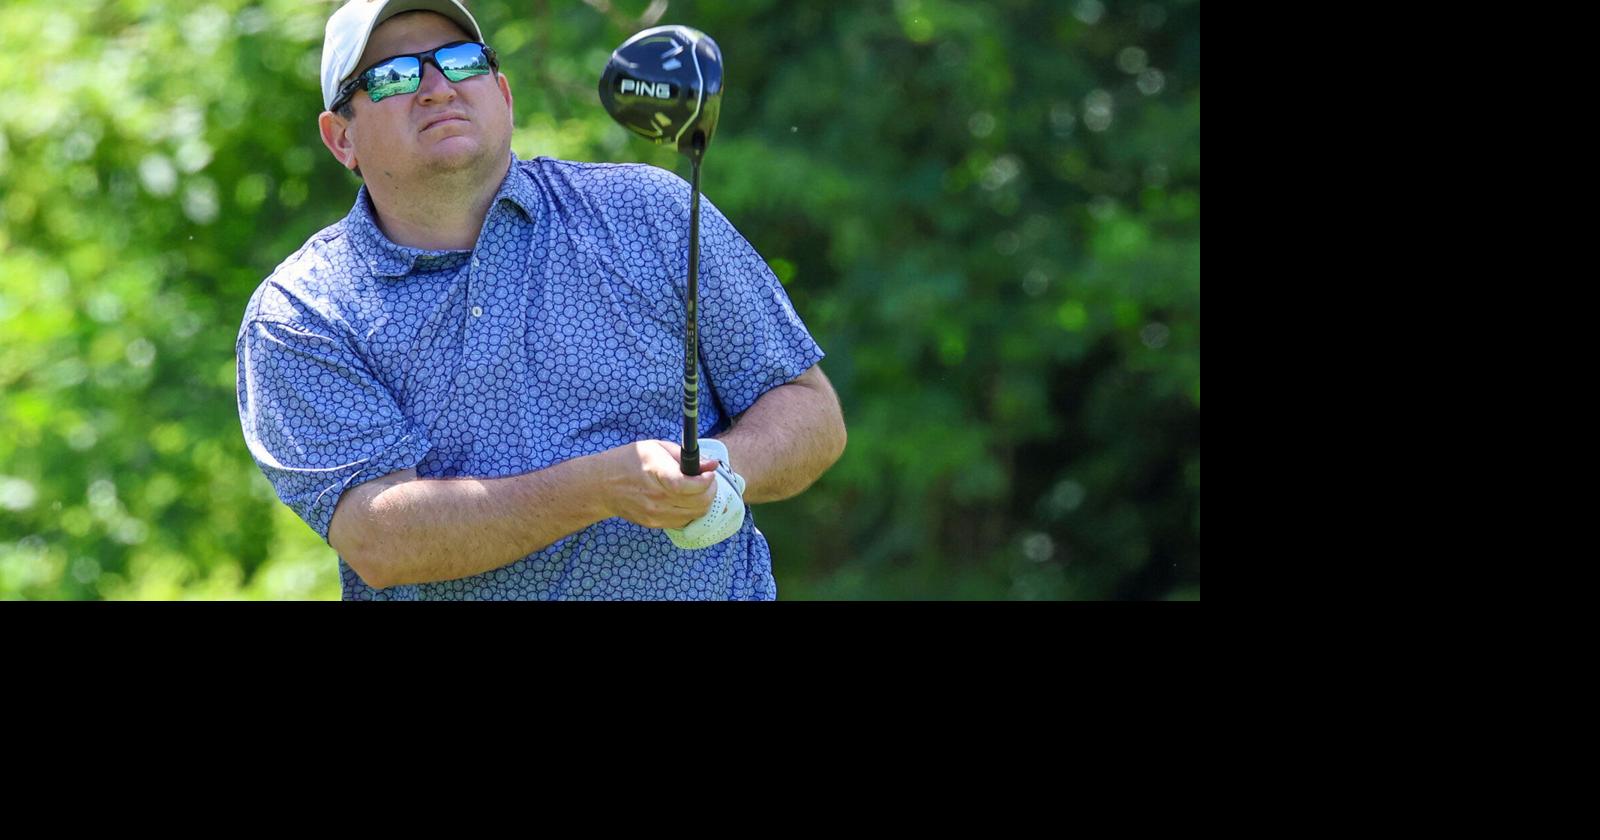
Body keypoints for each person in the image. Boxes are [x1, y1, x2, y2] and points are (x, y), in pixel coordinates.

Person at [235, 0, 846, 600]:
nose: (438, 89)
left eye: (462, 61)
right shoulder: (304, 311)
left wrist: (714, 468)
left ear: (503, 94)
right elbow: (380, 541)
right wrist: (601, 488)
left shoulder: (649, 213)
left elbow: (810, 410)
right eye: (393, 76)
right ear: (341, 138)